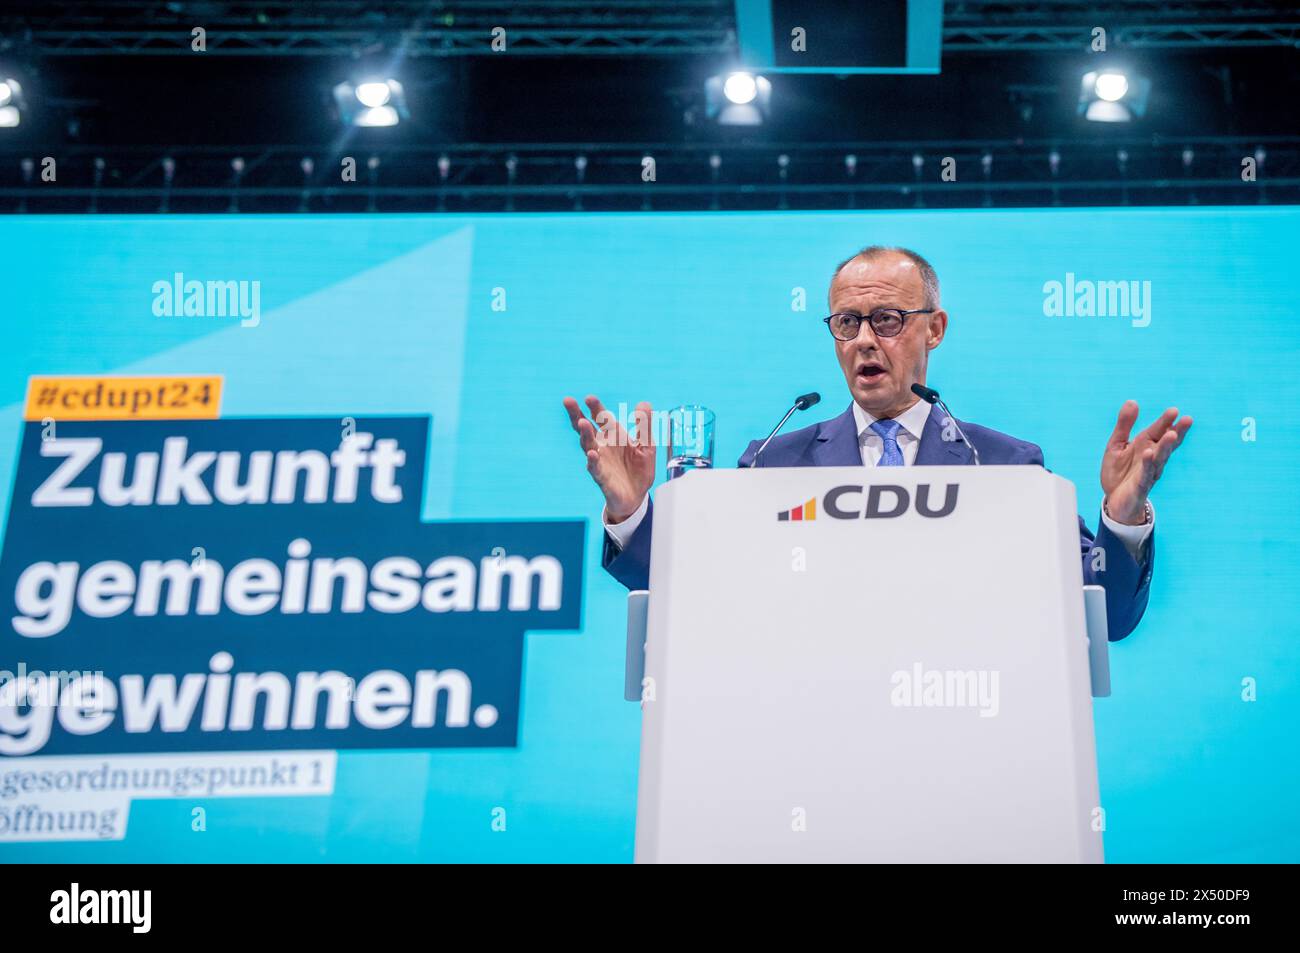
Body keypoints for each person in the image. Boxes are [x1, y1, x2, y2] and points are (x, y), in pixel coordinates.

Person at [563, 246, 1191, 640]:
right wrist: (631, 513)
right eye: (846, 322)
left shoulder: (1003, 464)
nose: (865, 339)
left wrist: (1123, 517)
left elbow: (1104, 616)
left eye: (887, 320)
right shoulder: (771, 461)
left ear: (934, 329)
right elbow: (694, 591)